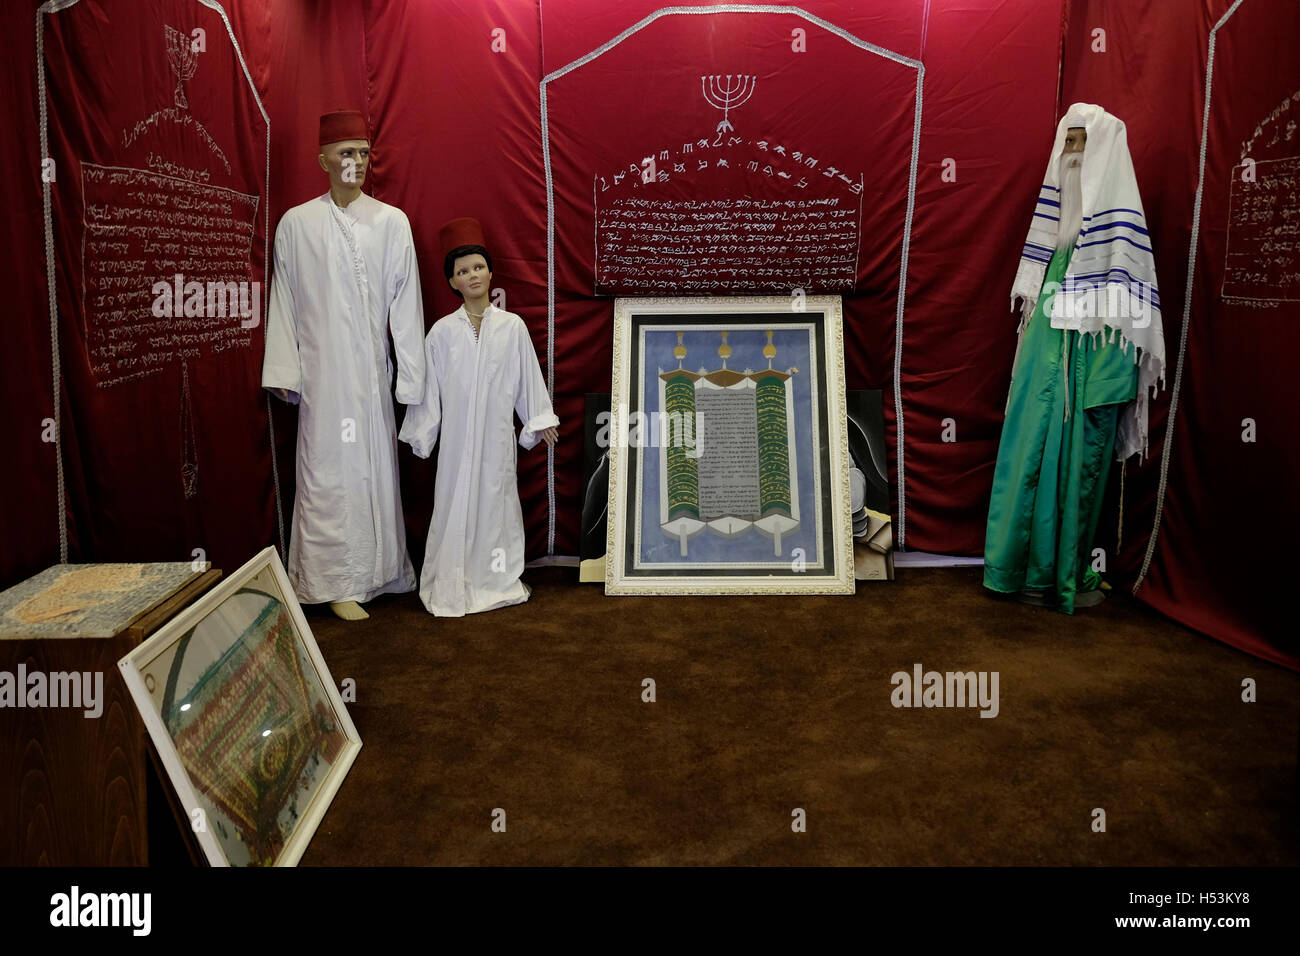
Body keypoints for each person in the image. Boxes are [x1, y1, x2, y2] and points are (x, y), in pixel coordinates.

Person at [983, 103, 1166, 614]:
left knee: (1080, 441)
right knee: (1031, 436)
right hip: (1048, 344)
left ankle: (1059, 571)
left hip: (1092, 362)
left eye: (1083, 148)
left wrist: (1098, 380)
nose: (1073, 160)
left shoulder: (1121, 253)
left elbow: (1125, 341)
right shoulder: (1049, 257)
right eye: (1068, 146)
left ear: (1107, 159)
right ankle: (1016, 569)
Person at [262, 110, 426, 620]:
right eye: (344, 152)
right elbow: (284, 301)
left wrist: (410, 378)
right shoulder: (297, 224)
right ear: (323, 160)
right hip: (324, 379)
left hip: (371, 375)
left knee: (375, 470)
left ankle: (383, 572)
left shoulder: (390, 222)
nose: (354, 161)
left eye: (362, 151)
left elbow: (406, 304)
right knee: (328, 473)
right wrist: (287, 375)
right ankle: (333, 580)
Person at [400, 217, 559, 616]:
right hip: (456, 444)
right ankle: (453, 580)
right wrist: (423, 433)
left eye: (477, 267)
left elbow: (526, 377)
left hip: (496, 441)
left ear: (490, 272)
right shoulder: (441, 333)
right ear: (452, 281)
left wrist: (539, 418)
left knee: (496, 504)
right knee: (454, 502)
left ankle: (495, 580)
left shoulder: (512, 327)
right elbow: (429, 391)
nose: (471, 275)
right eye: (462, 271)